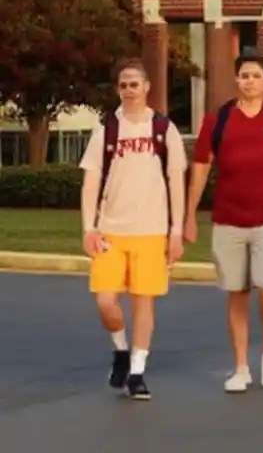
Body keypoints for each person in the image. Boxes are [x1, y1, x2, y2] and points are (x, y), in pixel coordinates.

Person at [186, 52, 263, 393]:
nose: (249, 81)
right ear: (236, 80)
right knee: (236, 293)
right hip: (228, 220)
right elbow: (200, 168)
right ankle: (241, 366)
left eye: (255, 75)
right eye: (243, 75)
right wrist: (188, 217)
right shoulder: (218, 121)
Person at [78, 59, 187, 400]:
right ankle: (121, 350)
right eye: (123, 84)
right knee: (106, 301)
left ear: (147, 87)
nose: (129, 90)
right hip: (111, 228)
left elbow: (175, 180)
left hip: (151, 229)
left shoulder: (163, 129)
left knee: (144, 303)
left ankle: (138, 371)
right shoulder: (107, 130)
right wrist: (88, 228)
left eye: (134, 84)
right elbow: (91, 182)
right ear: (117, 89)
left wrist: (176, 230)